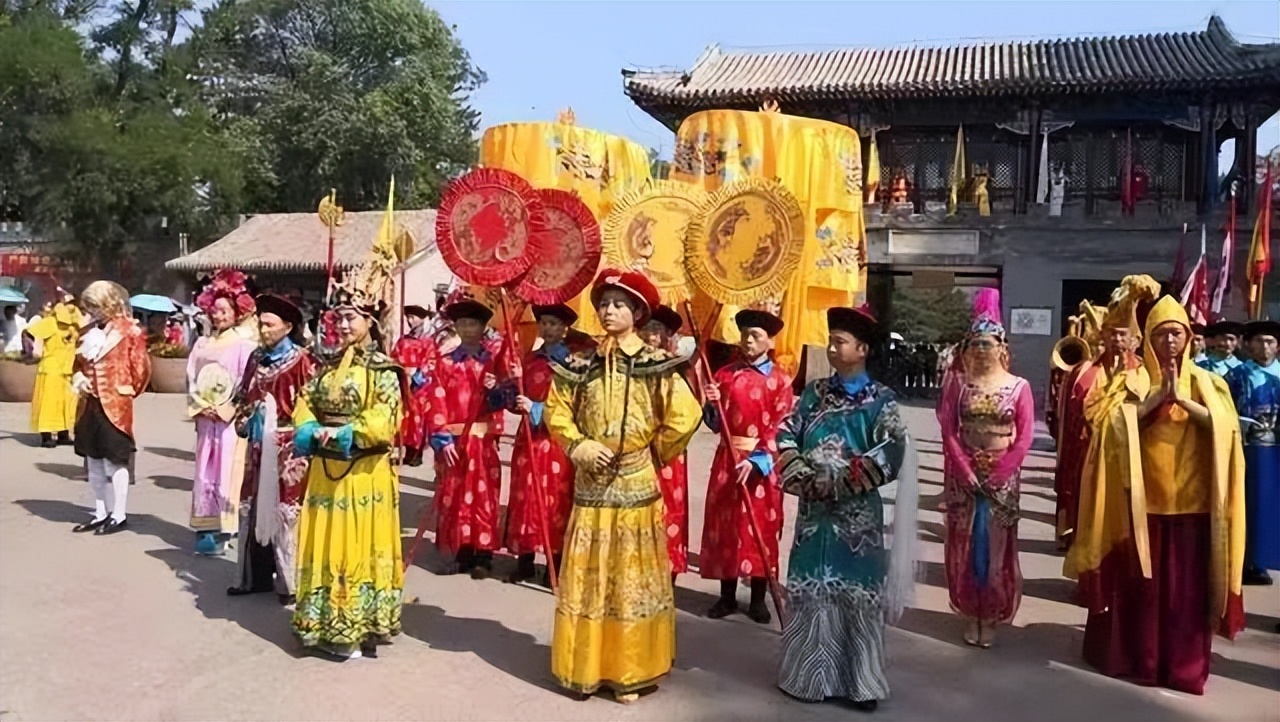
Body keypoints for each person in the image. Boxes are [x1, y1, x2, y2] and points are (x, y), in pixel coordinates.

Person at [1066, 294, 1245, 695]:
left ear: (1188, 339)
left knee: (1185, 596)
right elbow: (1108, 431)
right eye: (1161, 335)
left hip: (1194, 508)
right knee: (1141, 594)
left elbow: (1229, 431)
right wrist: (1149, 405)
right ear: (1148, 339)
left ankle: (1182, 666)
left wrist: (1183, 402)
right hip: (1141, 508)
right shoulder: (1130, 383)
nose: (1169, 343)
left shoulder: (1208, 383)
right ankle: (1139, 659)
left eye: (1176, 334)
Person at [545, 270, 701, 703]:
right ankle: (586, 666)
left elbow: (685, 416)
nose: (608, 311)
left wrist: (651, 454)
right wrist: (578, 446)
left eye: (618, 304)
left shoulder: (656, 366)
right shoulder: (580, 365)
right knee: (591, 578)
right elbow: (556, 412)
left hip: (635, 485)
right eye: (604, 303)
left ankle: (630, 669)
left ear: (637, 313)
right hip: (592, 487)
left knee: (629, 579)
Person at [775, 305, 919, 710]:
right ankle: (806, 677)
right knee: (810, 592)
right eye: (831, 340)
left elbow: (892, 449)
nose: (832, 348)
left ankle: (861, 683)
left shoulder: (882, 402)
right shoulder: (814, 393)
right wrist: (803, 474)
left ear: (863, 349)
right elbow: (787, 433)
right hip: (813, 515)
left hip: (856, 520)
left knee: (856, 595)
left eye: (840, 342)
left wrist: (840, 481)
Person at [291, 256, 406, 661]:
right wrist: (308, 428)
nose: (341, 325)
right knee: (326, 541)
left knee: (356, 546)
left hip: (363, 475)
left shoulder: (383, 370)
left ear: (371, 322)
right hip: (325, 472)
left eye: (350, 317)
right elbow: (303, 402)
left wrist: (343, 433)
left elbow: (384, 418)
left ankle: (356, 627)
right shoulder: (322, 367)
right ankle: (322, 622)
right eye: (337, 317)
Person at [936, 290, 1034, 648]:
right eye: (975, 343)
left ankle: (990, 614)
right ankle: (969, 611)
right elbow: (948, 430)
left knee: (994, 550)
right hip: (965, 478)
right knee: (964, 548)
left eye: (988, 343)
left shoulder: (1018, 387)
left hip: (1002, 480)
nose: (981, 350)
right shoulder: (959, 386)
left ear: (1002, 347)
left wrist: (999, 474)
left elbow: (1023, 438)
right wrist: (965, 470)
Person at [699, 309, 792, 624]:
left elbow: (782, 425)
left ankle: (757, 599)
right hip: (728, 459)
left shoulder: (779, 380)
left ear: (769, 340)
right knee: (726, 527)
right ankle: (726, 597)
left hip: (760, 465)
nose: (749, 341)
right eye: (745, 335)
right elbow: (714, 423)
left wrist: (760, 459)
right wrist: (711, 401)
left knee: (760, 530)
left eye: (756, 336)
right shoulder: (725, 375)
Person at [227, 294, 317, 605]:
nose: (263, 330)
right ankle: (254, 577)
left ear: (288, 326)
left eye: (269, 324)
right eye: (260, 323)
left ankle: (290, 582)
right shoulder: (255, 358)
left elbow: (312, 405)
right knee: (251, 507)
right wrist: (246, 417)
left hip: (288, 450)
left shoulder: (303, 361)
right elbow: (242, 395)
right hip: (257, 445)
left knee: (285, 512)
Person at [1054, 277, 1153, 550]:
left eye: (1123, 334)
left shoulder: (1143, 373)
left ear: (1134, 340)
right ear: (1104, 336)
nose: (1117, 339)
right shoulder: (1086, 372)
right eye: (1112, 333)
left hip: (1128, 457)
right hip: (1089, 456)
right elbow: (1074, 414)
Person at [427, 299, 506, 579]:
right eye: (462, 323)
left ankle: (483, 555)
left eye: (473, 323)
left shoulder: (495, 362)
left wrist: (495, 388)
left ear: (484, 327)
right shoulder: (445, 363)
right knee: (455, 496)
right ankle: (460, 551)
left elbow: (504, 401)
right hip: (455, 443)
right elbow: (435, 400)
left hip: (483, 442)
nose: (467, 328)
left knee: (484, 497)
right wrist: (442, 439)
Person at [502, 303, 578, 585]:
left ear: (565, 329)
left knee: (555, 501)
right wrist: (513, 389)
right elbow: (513, 400)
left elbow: (575, 404)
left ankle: (553, 565)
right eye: (544, 323)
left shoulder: (572, 364)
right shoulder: (529, 360)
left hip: (557, 441)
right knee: (525, 498)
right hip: (529, 441)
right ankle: (523, 560)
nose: (548, 328)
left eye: (554, 324)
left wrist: (536, 407)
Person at [186, 270, 259, 556]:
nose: (218, 316)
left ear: (236, 312)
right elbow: (192, 377)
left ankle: (226, 528)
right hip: (207, 417)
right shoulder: (202, 345)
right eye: (214, 310)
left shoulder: (244, 346)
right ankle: (205, 525)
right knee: (204, 470)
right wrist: (200, 403)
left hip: (229, 420)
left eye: (224, 310)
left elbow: (248, 382)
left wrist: (229, 408)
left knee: (229, 469)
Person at [70, 282, 150, 535]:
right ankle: (100, 511)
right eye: (89, 306)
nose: (92, 311)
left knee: (115, 460)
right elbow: (78, 364)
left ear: (108, 303)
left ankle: (119, 514)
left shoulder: (130, 332)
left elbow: (141, 370)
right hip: (90, 404)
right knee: (92, 459)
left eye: (95, 305)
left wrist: (123, 391)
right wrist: (81, 380)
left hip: (115, 406)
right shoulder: (89, 331)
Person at [637, 304, 694, 580]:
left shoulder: (679, 369)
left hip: (667, 451)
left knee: (668, 508)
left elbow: (689, 413)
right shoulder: (632, 365)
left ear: (669, 336)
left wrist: (662, 442)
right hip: (635, 451)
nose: (651, 336)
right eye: (647, 329)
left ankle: (667, 572)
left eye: (657, 331)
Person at [1225, 320, 1280, 586]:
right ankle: (1246, 560)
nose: (1264, 347)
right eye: (1259, 341)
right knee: (1247, 505)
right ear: (1248, 345)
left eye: (1270, 341)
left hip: (1275, 449)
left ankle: (1267, 559)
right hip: (1246, 449)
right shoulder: (1237, 374)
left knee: (1272, 507)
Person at [27, 294, 83, 448]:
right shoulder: (50, 323)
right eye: (68, 303)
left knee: (67, 403)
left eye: (73, 303)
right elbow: (31, 334)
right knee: (48, 404)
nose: (71, 307)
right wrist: (36, 348)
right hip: (50, 369)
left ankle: (63, 433)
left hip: (68, 369)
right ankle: (46, 436)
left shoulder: (76, 324)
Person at [392, 304, 433, 466]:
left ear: (422, 319)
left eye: (413, 317)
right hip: (403, 384)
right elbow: (394, 358)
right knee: (405, 418)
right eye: (408, 317)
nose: (410, 320)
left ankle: (417, 452)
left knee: (419, 418)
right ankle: (406, 449)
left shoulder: (428, 341)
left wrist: (416, 376)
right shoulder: (403, 340)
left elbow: (430, 363)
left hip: (420, 387)